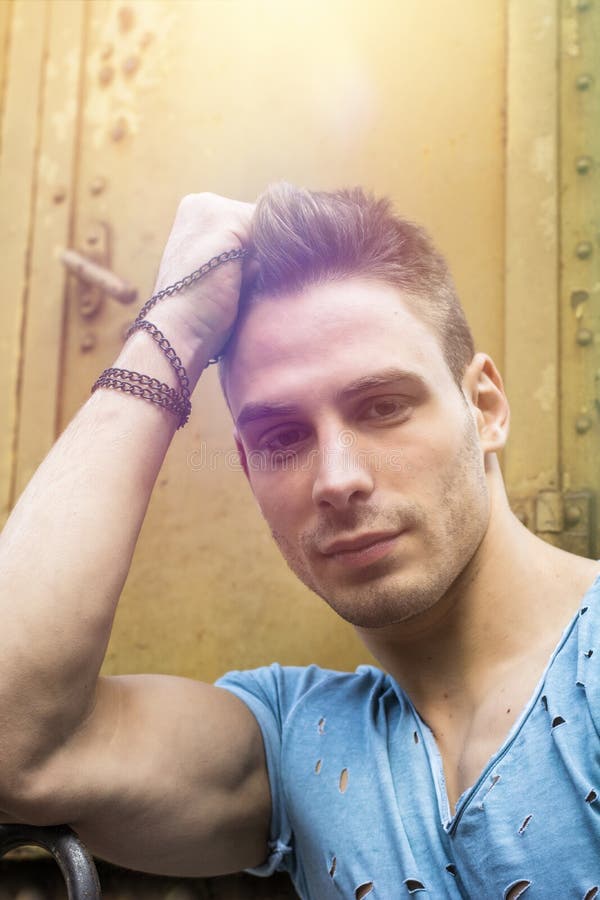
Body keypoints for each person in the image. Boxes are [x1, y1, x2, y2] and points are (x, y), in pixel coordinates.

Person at [0, 184, 598, 899]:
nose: (336, 480)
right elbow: (20, 744)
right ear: (249, 471)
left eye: (383, 407)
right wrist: (175, 328)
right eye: (283, 437)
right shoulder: (298, 747)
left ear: (486, 408)